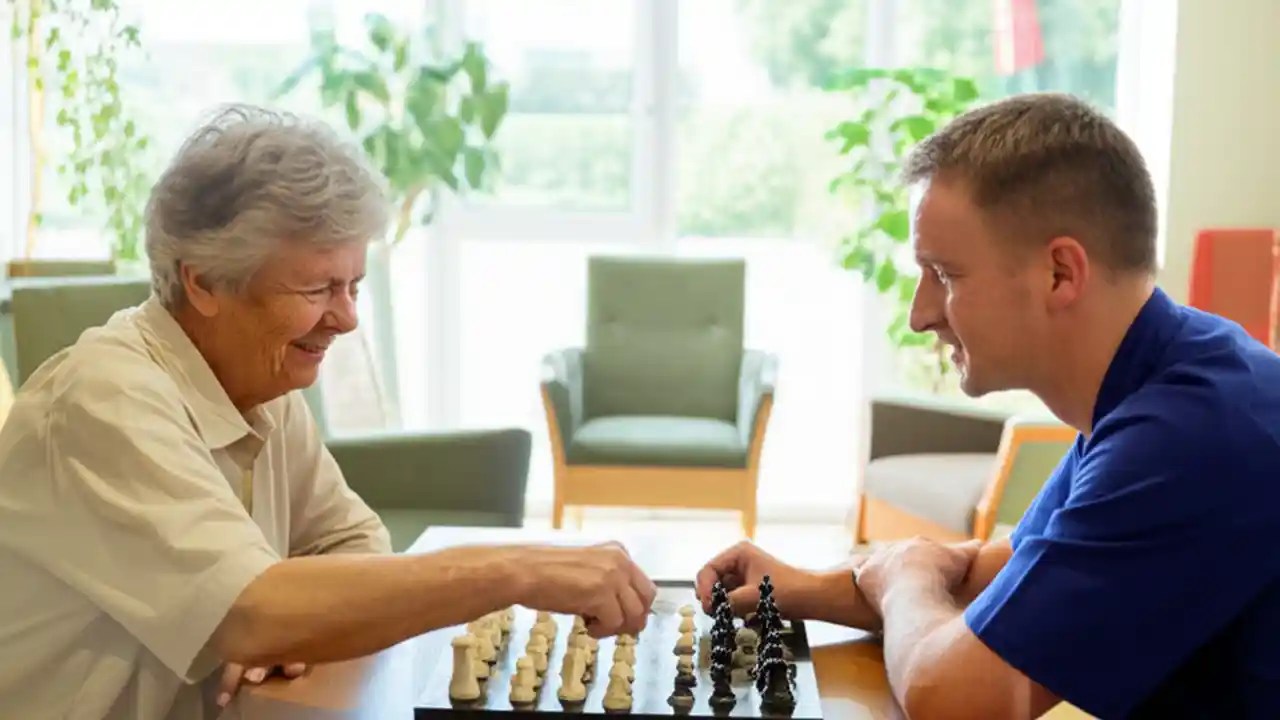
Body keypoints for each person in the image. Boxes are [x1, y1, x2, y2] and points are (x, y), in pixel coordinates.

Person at [0, 104, 656, 720]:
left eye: (353, 285)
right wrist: (516, 569)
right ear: (201, 281)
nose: (345, 319)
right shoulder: (106, 396)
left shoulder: (262, 384)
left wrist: (301, 625)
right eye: (317, 288)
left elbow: (350, 544)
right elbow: (249, 608)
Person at [697, 93, 1280, 719]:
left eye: (944, 275)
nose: (922, 315)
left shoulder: (1187, 437)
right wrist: (806, 589)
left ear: (1060, 273)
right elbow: (998, 580)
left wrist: (904, 577)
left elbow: (953, 702)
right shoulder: (1166, 378)